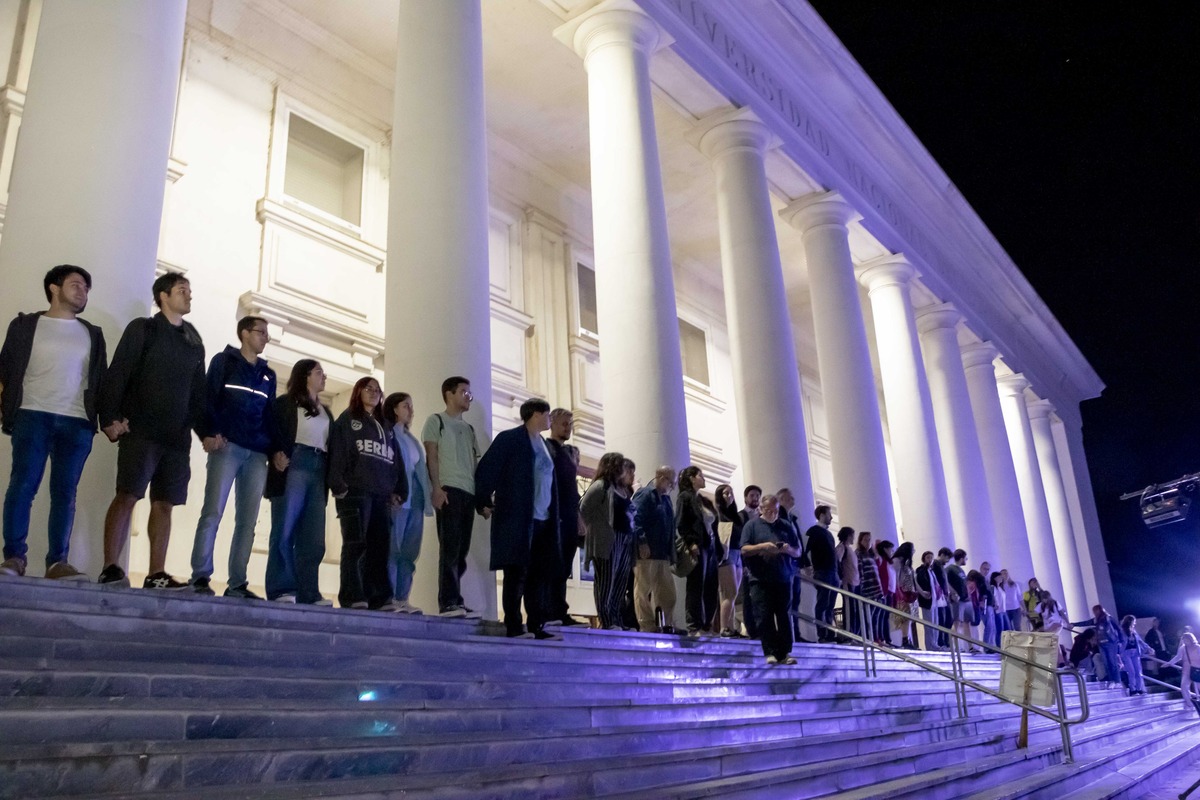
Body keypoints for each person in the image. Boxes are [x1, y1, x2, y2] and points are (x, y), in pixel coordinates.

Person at [96, 272, 206, 589]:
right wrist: (110, 418)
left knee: (165, 503)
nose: (188, 295)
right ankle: (111, 568)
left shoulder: (193, 338)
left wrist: (206, 430)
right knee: (128, 495)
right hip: (141, 429)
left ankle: (156, 573)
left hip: (177, 438)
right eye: (182, 290)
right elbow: (119, 372)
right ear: (163, 296)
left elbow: (197, 390)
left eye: (190, 290)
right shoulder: (143, 329)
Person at [0, 265, 107, 581]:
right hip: (32, 415)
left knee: (65, 493)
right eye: (76, 284)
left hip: (76, 423)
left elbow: (100, 379)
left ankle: (57, 562)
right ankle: (14, 558)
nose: (82, 291)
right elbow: (4, 369)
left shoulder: (92, 333)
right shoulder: (25, 326)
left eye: (86, 287)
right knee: (22, 486)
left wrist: (105, 417)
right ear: (53, 288)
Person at [189, 316, 277, 599]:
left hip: (256, 454)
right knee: (213, 511)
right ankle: (200, 577)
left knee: (248, 521)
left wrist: (270, 447)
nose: (266, 337)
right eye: (261, 332)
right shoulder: (223, 362)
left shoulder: (268, 375)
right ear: (244, 334)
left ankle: (237, 583)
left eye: (267, 333)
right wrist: (208, 433)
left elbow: (270, 415)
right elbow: (207, 399)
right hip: (226, 447)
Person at [475, 398, 561, 640]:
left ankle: (537, 625)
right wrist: (482, 500)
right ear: (535, 414)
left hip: (543, 519)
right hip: (518, 517)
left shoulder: (545, 445)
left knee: (538, 573)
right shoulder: (510, 439)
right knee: (516, 572)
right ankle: (513, 625)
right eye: (547, 414)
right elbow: (488, 468)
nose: (549, 419)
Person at [328, 377, 408, 611]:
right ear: (358, 392)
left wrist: (399, 490)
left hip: (381, 496)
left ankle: (380, 597)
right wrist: (339, 485)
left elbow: (397, 461)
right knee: (355, 545)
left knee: (380, 548)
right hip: (355, 493)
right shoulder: (348, 419)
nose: (373, 393)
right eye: (368, 388)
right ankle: (353, 596)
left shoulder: (386, 426)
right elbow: (338, 452)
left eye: (377, 390)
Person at [263, 359, 333, 605]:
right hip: (295, 463)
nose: (324, 376)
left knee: (313, 536)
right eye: (318, 372)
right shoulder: (284, 403)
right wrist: (275, 453)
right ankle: (281, 588)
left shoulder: (326, 411)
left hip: (319, 468)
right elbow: (270, 431)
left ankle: (308, 592)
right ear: (304, 376)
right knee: (285, 527)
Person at [421, 376, 482, 618]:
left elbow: (475, 464)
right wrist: (436, 487)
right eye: (463, 392)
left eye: (469, 393)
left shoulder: (468, 429)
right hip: (449, 489)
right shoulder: (436, 421)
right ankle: (447, 601)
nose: (468, 397)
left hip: (468, 492)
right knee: (450, 547)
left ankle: (456, 598)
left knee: (461, 550)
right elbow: (431, 456)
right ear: (449, 394)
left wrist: (480, 500)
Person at [383, 391, 433, 613]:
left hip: (416, 502)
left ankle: (403, 597)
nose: (411, 411)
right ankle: (389, 596)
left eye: (411, 406)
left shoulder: (412, 439)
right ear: (394, 409)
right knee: (393, 550)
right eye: (406, 406)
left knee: (409, 553)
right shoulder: (387, 434)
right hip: (398, 501)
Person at [740, 493, 802, 665]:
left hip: (783, 577)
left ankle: (785, 652)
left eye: (775, 511)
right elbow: (744, 549)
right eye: (768, 510)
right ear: (761, 509)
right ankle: (770, 652)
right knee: (764, 616)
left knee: (783, 615)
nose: (772, 514)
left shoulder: (786, 525)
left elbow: (798, 552)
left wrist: (787, 549)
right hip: (759, 578)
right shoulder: (751, 526)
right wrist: (762, 547)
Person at [580, 452, 634, 630]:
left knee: (620, 582)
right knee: (606, 582)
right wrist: (594, 528)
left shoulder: (622, 489)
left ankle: (616, 618)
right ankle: (606, 619)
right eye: (620, 465)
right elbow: (583, 508)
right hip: (607, 540)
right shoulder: (601, 486)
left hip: (624, 539)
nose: (623, 469)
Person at [545, 408, 584, 626]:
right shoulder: (547, 449)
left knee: (564, 568)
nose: (567, 428)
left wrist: (578, 516)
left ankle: (559, 610)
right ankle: (549, 611)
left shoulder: (568, 453)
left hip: (569, 516)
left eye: (570, 424)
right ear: (552, 423)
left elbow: (571, 489)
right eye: (563, 423)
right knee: (553, 564)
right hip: (554, 515)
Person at [676, 465, 721, 636]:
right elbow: (681, 522)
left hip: (710, 547)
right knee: (696, 585)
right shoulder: (684, 497)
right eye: (700, 475)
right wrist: (690, 542)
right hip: (697, 545)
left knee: (711, 586)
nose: (704, 478)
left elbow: (712, 525)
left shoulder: (701, 499)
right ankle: (694, 625)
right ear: (691, 478)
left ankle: (707, 624)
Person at [632, 466, 677, 633]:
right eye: (671, 483)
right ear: (660, 477)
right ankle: (646, 624)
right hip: (646, 553)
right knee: (643, 589)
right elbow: (635, 518)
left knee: (667, 593)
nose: (672, 487)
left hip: (662, 553)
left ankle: (666, 623)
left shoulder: (665, 499)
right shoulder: (645, 494)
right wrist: (642, 541)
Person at [804, 505, 838, 642]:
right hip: (822, 571)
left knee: (830, 605)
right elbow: (805, 550)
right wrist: (808, 567)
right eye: (829, 514)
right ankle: (821, 634)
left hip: (833, 572)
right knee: (822, 603)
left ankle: (830, 633)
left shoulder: (829, 534)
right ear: (822, 515)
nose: (831, 517)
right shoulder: (813, 531)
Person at [714, 483, 744, 638]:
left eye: (731, 493)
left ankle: (731, 627)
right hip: (726, 554)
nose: (730, 495)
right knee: (729, 592)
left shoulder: (736, 516)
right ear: (719, 495)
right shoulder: (717, 514)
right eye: (726, 493)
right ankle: (724, 627)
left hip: (738, 553)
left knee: (733, 593)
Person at [915, 550, 948, 651]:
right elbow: (921, 582)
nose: (930, 559)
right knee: (929, 625)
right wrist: (924, 592)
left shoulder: (932, 571)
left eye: (931, 557)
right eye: (928, 557)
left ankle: (935, 644)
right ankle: (930, 646)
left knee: (935, 623)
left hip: (934, 601)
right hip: (927, 601)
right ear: (924, 559)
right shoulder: (921, 570)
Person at [891, 542, 919, 648]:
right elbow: (896, 578)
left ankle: (907, 639)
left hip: (910, 593)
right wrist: (899, 591)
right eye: (912, 550)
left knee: (909, 618)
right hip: (903, 593)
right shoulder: (898, 561)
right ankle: (904, 640)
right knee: (904, 618)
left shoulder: (906, 563)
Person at [856, 531, 882, 643]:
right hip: (867, 590)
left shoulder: (871, 555)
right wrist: (861, 589)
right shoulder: (859, 554)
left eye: (869, 540)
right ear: (860, 541)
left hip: (876, 589)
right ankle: (868, 638)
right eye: (865, 540)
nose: (868, 542)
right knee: (868, 617)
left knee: (876, 617)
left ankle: (876, 638)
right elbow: (860, 573)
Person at [943, 549, 972, 651]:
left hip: (965, 600)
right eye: (965, 558)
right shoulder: (950, 569)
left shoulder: (961, 570)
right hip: (957, 600)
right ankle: (955, 646)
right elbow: (945, 581)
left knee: (965, 623)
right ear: (961, 558)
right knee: (956, 623)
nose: (966, 560)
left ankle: (969, 646)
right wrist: (953, 592)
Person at [834, 526, 859, 639]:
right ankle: (848, 633)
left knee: (853, 609)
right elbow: (837, 562)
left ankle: (852, 633)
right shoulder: (842, 547)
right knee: (849, 608)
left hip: (853, 582)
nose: (854, 538)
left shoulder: (849, 549)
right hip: (847, 582)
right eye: (852, 535)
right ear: (848, 536)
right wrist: (841, 578)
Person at [1167, 632, 1200, 715]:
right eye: (1184, 640)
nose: (1185, 642)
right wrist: (1170, 663)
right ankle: (1190, 704)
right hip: (1187, 670)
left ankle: (1194, 704)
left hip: (1198, 670)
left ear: (1191, 639)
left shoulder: (1198, 647)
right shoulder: (1183, 648)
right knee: (1184, 686)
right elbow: (1178, 657)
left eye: (1187, 640)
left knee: (1198, 687)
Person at [1091, 604, 1123, 689]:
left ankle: (1117, 681)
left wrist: (1121, 640)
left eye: (1095, 610)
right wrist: (1073, 624)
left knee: (1112, 662)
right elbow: (1086, 622)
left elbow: (1118, 628)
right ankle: (1112, 681)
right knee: (1106, 663)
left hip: (1110, 643)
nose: (1094, 613)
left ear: (1100, 610)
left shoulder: (1108, 618)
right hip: (1101, 644)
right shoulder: (1095, 620)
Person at [1119, 614, 1148, 695]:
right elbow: (1119, 642)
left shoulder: (1134, 631)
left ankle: (1139, 688)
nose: (1135, 623)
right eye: (1134, 621)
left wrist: (1148, 648)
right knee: (1131, 671)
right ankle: (1132, 689)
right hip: (1126, 653)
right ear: (1130, 621)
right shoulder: (1122, 631)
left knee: (1138, 671)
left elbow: (1140, 641)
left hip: (1135, 652)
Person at [874, 540, 896, 646]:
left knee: (886, 616)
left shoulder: (888, 562)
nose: (892, 552)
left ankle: (888, 639)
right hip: (883, 592)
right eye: (890, 549)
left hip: (890, 592)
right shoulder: (880, 559)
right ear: (885, 549)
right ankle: (880, 638)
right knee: (881, 615)